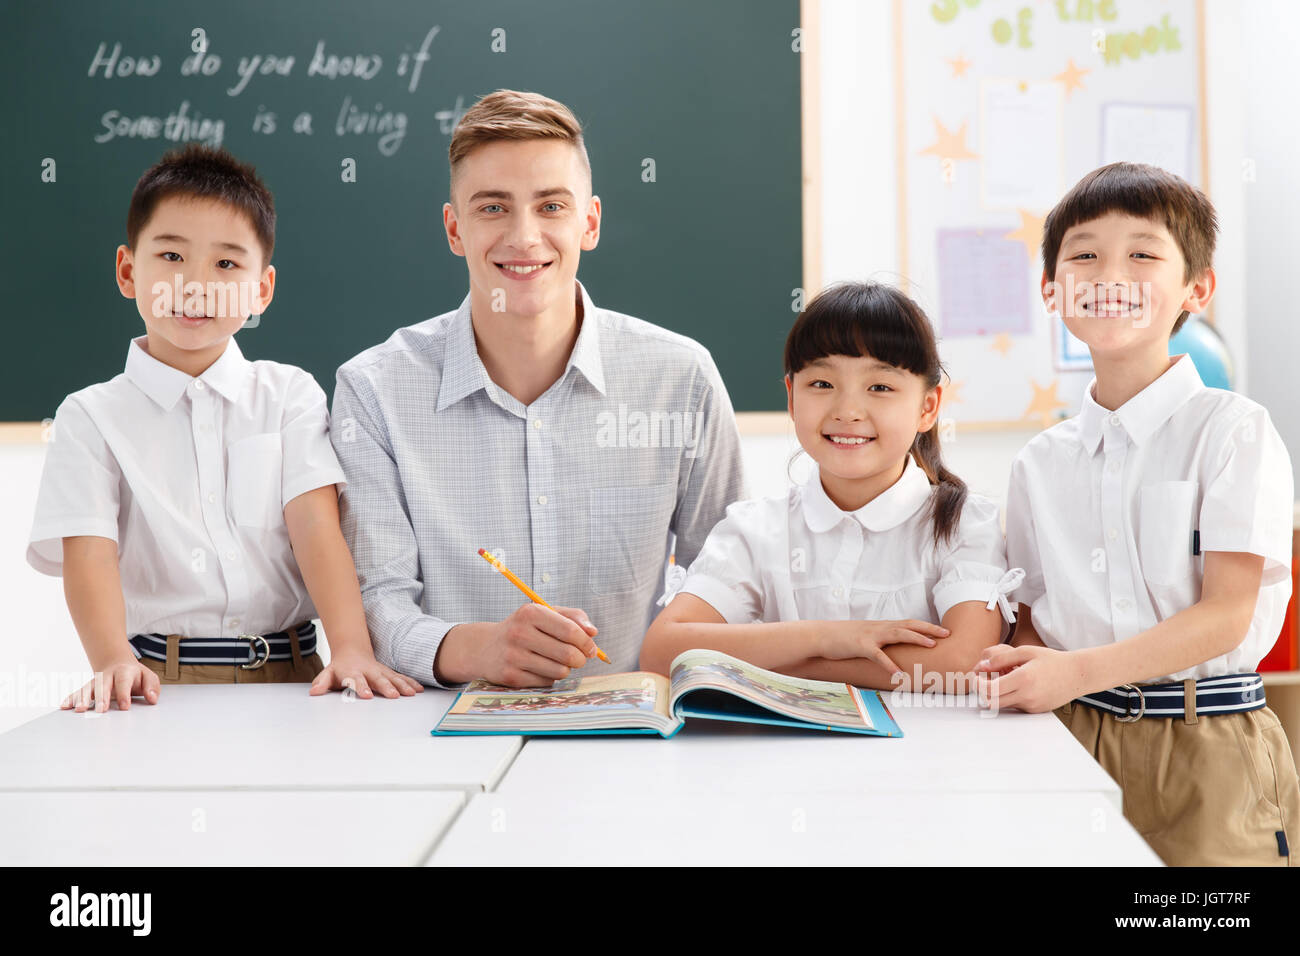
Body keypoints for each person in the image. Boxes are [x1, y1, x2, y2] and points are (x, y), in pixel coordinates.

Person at [331, 90, 745, 689]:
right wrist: (473, 648)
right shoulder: (373, 391)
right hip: (436, 738)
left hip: (641, 745)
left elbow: (731, 583)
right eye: (493, 208)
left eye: (551, 206)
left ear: (590, 222)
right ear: (455, 228)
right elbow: (377, 603)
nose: (524, 237)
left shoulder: (682, 381)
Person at [978, 161, 1299, 866]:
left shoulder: (1233, 430)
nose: (1110, 274)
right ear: (1052, 290)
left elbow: (1226, 615)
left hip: (1207, 748)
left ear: (1197, 287)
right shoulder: (1039, 462)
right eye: (1084, 254)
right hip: (1069, 737)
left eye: (1143, 254)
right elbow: (1033, 617)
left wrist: (1074, 671)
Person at [26, 144, 421, 711]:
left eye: (227, 264)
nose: (196, 284)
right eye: (171, 257)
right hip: (159, 683)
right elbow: (90, 553)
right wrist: (112, 659)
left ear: (262, 289)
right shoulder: (90, 417)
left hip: (298, 676)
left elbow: (317, 529)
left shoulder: (290, 395)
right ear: (128, 271)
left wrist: (352, 648)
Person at [640, 281, 1021, 691]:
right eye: (822, 385)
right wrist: (828, 637)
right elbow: (664, 651)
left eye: (880, 387)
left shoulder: (963, 524)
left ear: (928, 407)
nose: (848, 411)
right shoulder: (755, 529)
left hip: (925, 756)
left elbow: (964, 662)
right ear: (791, 398)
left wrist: (775, 666)